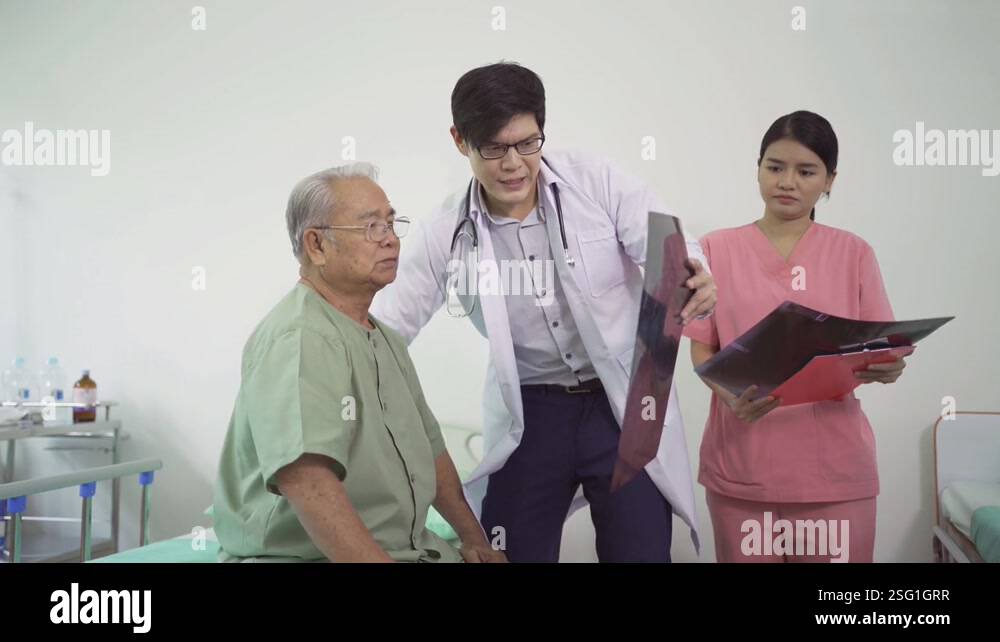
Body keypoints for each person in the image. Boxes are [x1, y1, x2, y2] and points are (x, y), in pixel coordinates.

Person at [372, 63, 717, 562]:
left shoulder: (595, 181)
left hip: (620, 402)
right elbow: (387, 327)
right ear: (459, 140)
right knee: (509, 552)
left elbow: (668, 246)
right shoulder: (445, 230)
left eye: (528, 143)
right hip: (531, 413)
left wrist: (694, 273)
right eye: (493, 148)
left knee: (640, 549)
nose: (514, 163)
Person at [213, 163, 505, 563]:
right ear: (316, 245)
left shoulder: (384, 340)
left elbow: (433, 456)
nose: (391, 241)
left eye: (391, 224)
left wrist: (476, 542)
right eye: (371, 228)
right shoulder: (300, 337)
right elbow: (308, 481)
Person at [683, 110, 907, 563]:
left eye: (806, 171)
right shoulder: (713, 249)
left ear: (829, 181)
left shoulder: (854, 253)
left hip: (835, 475)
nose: (787, 181)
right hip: (742, 469)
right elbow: (703, 345)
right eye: (774, 167)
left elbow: (878, 344)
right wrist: (726, 394)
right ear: (758, 169)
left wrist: (889, 367)